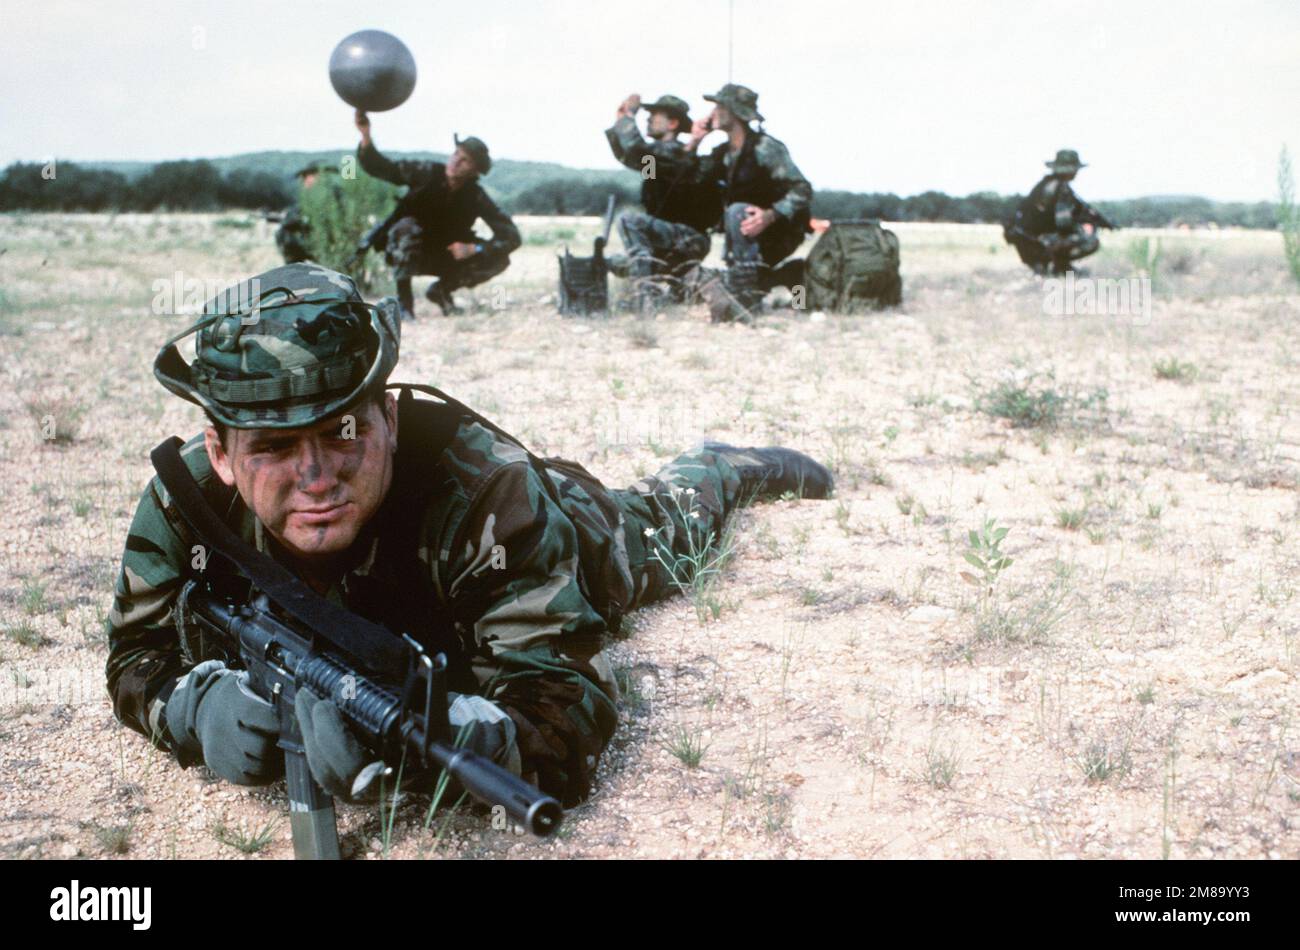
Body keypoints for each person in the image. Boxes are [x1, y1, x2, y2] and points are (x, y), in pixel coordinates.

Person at [105, 262, 833, 809]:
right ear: (223, 453)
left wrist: (453, 743)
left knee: (664, 529)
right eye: (272, 449)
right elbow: (135, 656)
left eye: (342, 432)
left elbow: (566, 702)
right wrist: (189, 710)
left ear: (388, 418)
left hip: (577, 533)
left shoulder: (487, 493)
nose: (316, 474)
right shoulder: (187, 502)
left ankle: (722, 466)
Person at [354, 110, 521, 317]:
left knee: (499, 259)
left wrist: (475, 248)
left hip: (447, 254)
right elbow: (384, 168)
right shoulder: (426, 172)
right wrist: (366, 136)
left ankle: (441, 291)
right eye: (456, 154)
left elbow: (512, 236)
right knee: (406, 227)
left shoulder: (476, 196)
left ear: (474, 171)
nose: (455, 162)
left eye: (465, 160)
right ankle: (404, 303)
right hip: (409, 250)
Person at [686, 83, 813, 321]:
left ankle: (747, 303)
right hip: (745, 236)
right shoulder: (724, 154)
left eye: (719, 106)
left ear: (733, 112)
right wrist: (694, 142)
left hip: (779, 230)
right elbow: (691, 180)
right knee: (732, 274)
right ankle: (791, 276)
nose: (713, 113)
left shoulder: (765, 148)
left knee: (737, 211)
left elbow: (802, 189)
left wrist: (770, 215)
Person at [605, 93, 717, 308]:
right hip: (677, 239)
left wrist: (628, 117)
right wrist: (621, 121)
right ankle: (685, 284)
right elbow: (632, 156)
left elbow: (637, 151)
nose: (648, 119)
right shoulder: (658, 159)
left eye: (654, 116)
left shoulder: (671, 153)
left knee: (629, 221)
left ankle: (645, 296)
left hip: (687, 238)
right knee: (619, 262)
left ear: (673, 123)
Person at [1004, 149, 1117, 275]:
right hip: (1036, 242)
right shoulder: (1060, 189)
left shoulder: (1046, 184)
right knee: (1089, 239)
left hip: (1025, 241)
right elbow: (1064, 223)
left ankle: (1047, 265)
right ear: (1070, 170)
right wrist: (1087, 225)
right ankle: (1057, 266)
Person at [274, 161, 339, 265]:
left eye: (307, 176)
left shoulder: (332, 195)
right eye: (304, 177)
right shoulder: (308, 198)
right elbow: (292, 218)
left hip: (326, 248)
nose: (305, 181)